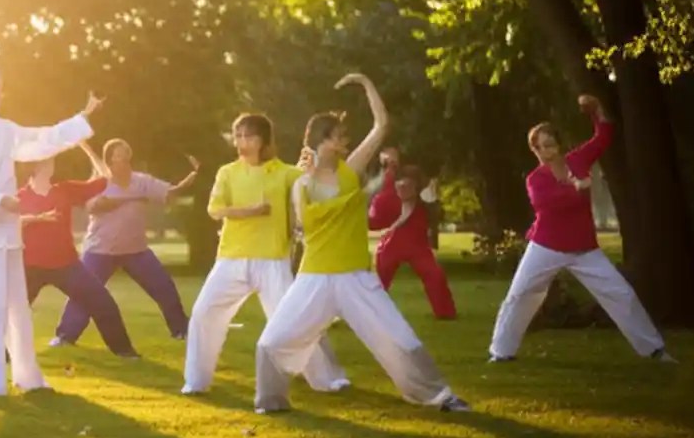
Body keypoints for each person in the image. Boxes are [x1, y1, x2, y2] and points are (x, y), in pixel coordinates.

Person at [254, 74, 469, 414]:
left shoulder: (350, 171)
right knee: (272, 341)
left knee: (400, 339)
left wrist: (365, 83)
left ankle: (440, 396)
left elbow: (382, 125)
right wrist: (353, 199)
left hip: (355, 274)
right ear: (321, 141)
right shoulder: (303, 184)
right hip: (315, 276)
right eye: (338, 137)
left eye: (343, 137)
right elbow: (306, 222)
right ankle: (271, 401)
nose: (344, 142)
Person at [0, 65, 100, 397]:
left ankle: (28, 376)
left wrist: (81, 119)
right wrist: (0, 202)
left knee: (16, 306)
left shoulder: (2, 129)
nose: (2, 94)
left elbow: (39, 140)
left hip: (5, 232)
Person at [488, 95, 672, 363]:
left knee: (620, 294)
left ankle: (654, 350)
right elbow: (545, 204)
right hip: (546, 245)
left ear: (559, 145)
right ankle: (501, 352)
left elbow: (603, 137)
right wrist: (575, 189)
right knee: (520, 294)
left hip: (584, 248)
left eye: (549, 145)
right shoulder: (535, 179)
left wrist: (596, 111)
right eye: (539, 149)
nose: (545, 152)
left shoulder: (578, 160)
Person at [183, 114, 350, 395]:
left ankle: (327, 379)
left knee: (295, 318)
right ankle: (196, 382)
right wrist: (251, 211)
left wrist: (314, 164)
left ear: (264, 140)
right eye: (238, 136)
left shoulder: (284, 172)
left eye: (249, 136)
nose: (242, 142)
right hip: (231, 259)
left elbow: (313, 186)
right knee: (203, 313)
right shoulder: (227, 172)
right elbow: (215, 210)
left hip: (272, 259)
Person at [54, 139, 195, 345]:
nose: (124, 161)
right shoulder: (100, 184)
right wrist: (132, 198)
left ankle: (181, 329)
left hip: (136, 251)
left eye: (126, 156)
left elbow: (169, 192)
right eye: (118, 157)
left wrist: (191, 178)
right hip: (100, 250)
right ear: (109, 162)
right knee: (84, 293)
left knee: (164, 287)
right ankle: (65, 336)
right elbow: (95, 206)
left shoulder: (142, 181)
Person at [19, 141, 138, 358]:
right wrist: (36, 218)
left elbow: (105, 179)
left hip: (66, 265)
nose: (51, 163)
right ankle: (1, 355)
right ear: (35, 166)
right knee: (12, 313)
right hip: (30, 267)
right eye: (47, 160)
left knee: (103, 303)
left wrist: (86, 147)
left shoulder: (64, 190)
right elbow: (7, 222)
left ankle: (124, 352)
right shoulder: (19, 196)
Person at [368, 158, 457, 319]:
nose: (404, 189)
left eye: (409, 186)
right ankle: (370, 310)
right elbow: (374, 222)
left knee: (434, 275)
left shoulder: (425, 198)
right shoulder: (388, 196)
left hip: (417, 245)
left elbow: (436, 214)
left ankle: (445, 312)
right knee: (380, 278)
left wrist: (431, 198)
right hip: (394, 242)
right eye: (401, 185)